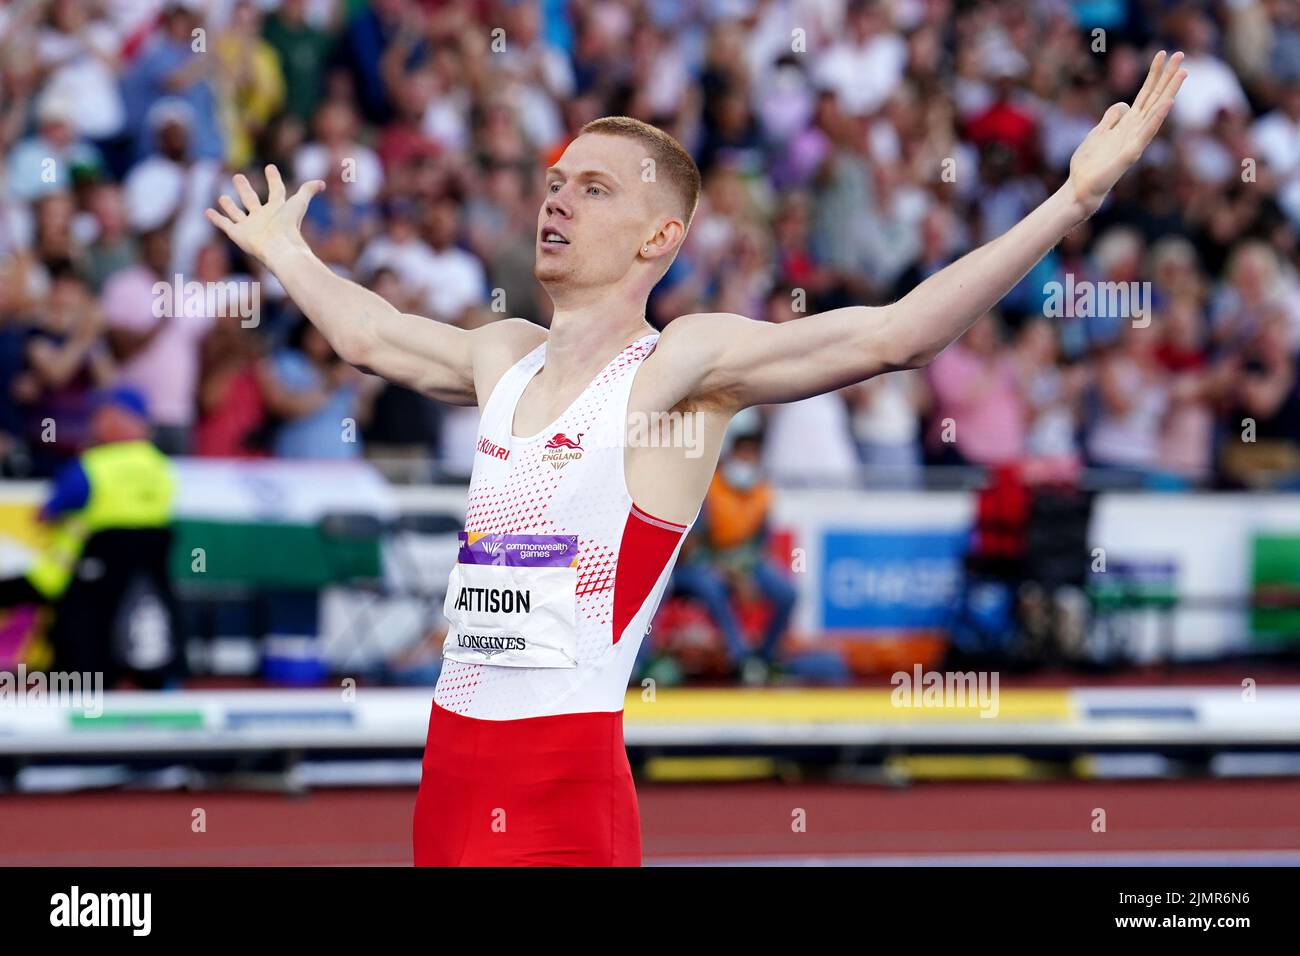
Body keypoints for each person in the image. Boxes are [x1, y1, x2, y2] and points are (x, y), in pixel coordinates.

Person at [204, 52, 1187, 866]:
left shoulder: (681, 365)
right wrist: (287, 253)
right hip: (449, 776)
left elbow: (895, 335)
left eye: (592, 190)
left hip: (563, 791)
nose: (557, 202)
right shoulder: (499, 352)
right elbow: (371, 334)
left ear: (660, 236)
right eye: (554, 184)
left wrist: (1069, 201)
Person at [672, 432, 796, 685]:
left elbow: (760, 546)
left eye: (753, 453)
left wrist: (743, 572)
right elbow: (690, 548)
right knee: (711, 587)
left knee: (786, 592)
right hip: (705, 564)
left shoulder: (762, 493)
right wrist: (730, 572)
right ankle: (739, 657)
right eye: (742, 452)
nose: (747, 459)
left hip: (743, 564)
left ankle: (765, 656)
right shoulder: (710, 488)